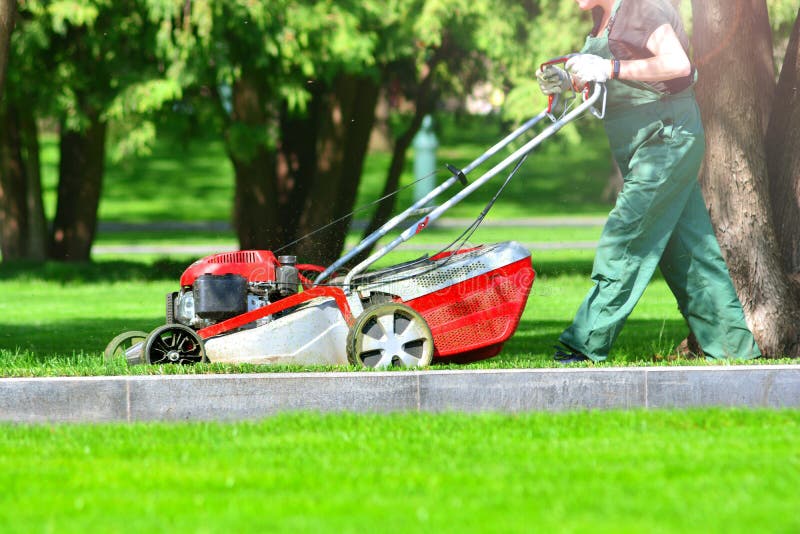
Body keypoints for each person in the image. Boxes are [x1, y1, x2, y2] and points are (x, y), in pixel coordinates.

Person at [536, 0, 761, 363]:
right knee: (690, 252)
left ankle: (585, 341)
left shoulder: (640, 9)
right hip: (644, 146)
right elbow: (615, 79)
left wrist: (608, 67)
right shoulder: (602, 21)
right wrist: (569, 81)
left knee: (628, 232)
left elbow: (677, 64)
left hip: (666, 140)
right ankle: (734, 350)